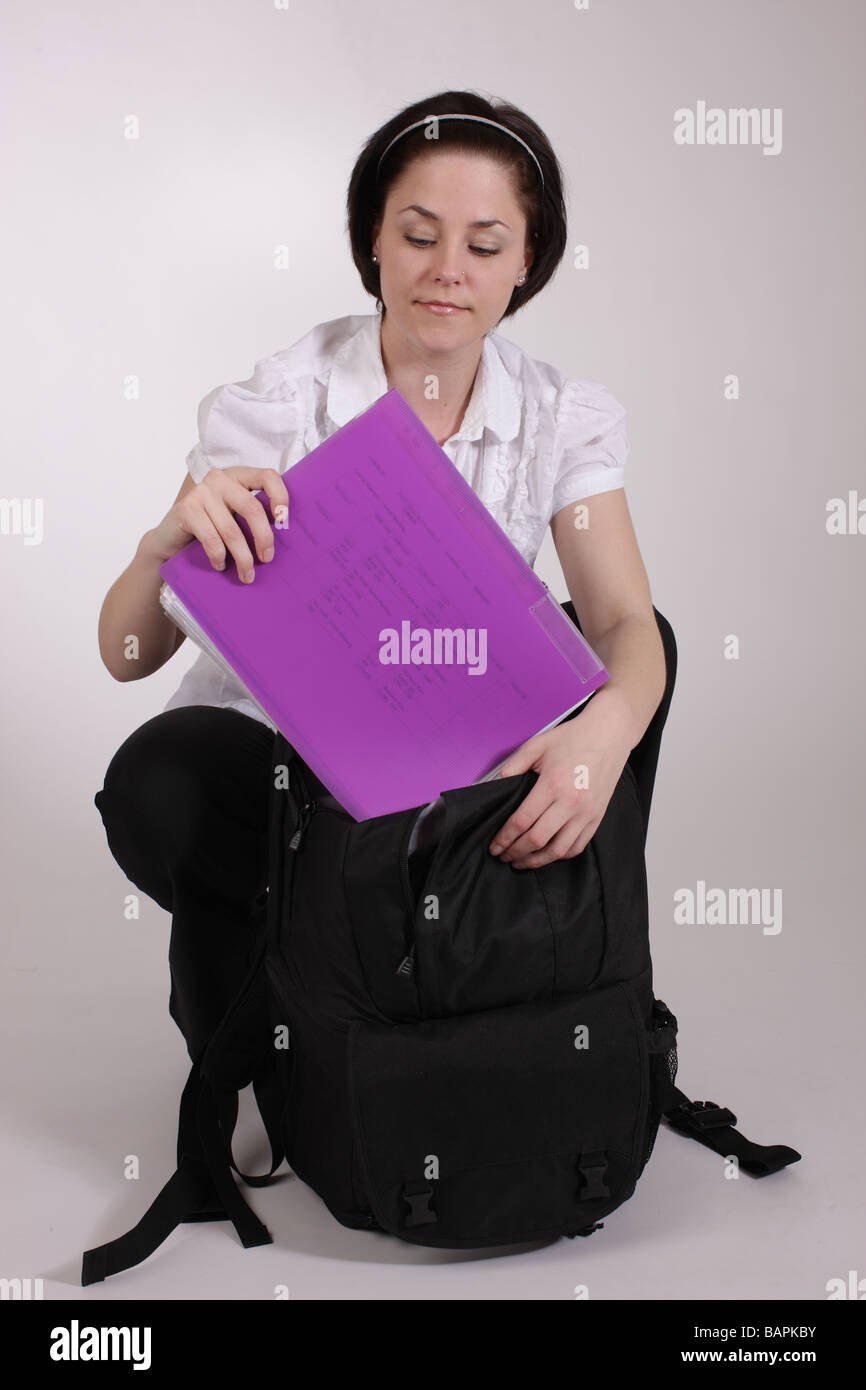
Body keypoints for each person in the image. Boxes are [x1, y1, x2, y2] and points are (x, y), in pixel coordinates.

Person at [94, 89, 668, 1065]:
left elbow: (622, 621)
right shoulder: (281, 398)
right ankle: (252, 1039)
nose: (446, 272)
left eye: (484, 245)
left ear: (525, 262)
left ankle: (513, 959)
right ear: (371, 240)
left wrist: (601, 738)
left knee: (634, 657)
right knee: (160, 771)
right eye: (416, 235)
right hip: (283, 784)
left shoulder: (558, 413)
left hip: (452, 760)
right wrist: (163, 545)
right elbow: (127, 655)